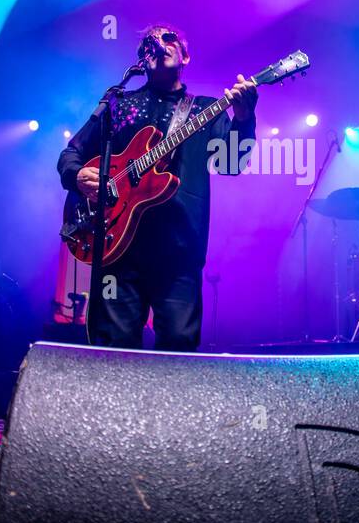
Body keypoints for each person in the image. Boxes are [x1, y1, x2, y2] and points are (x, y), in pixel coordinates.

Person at [57, 25, 257, 350]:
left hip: (179, 253)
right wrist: (78, 175)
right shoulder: (118, 106)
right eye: (150, 43)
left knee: (178, 350)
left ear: (185, 55)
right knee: (114, 353)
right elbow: (72, 152)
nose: (159, 44)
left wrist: (244, 118)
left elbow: (232, 163)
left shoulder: (204, 111)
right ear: (142, 60)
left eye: (168, 38)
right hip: (116, 249)